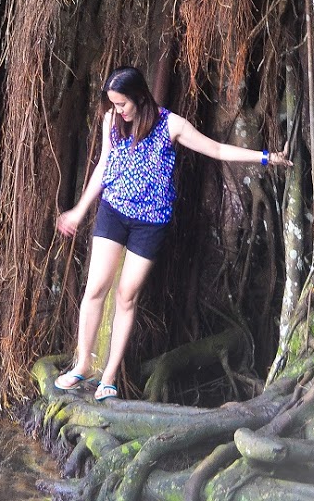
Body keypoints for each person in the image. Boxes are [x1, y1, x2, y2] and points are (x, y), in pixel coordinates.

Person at [54, 66, 291, 401]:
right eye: (113, 104)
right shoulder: (112, 121)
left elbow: (217, 150)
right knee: (95, 290)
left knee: (126, 296)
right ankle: (83, 365)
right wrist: (79, 210)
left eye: (122, 103)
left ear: (139, 96)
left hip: (150, 223)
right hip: (113, 212)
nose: (118, 110)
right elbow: (103, 166)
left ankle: (109, 377)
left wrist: (267, 157)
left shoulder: (171, 125)